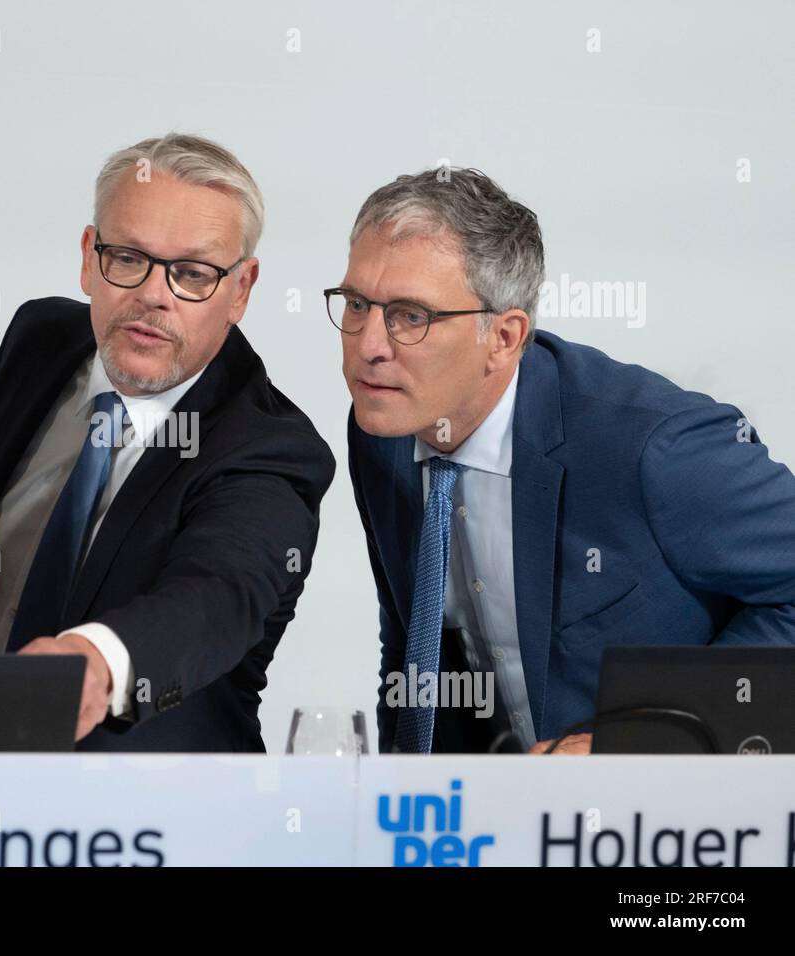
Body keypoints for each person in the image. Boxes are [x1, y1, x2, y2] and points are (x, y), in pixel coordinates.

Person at [337, 167, 795, 755]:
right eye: (357, 304)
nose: (369, 345)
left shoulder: (654, 448)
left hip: (668, 803)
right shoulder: (384, 426)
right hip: (488, 804)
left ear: (504, 337)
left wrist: (640, 742)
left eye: (411, 316)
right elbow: (413, 644)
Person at [0, 133, 335, 752]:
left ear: (241, 290)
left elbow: (217, 595)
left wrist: (96, 662)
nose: (154, 295)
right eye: (127, 257)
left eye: (193, 274)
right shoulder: (40, 340)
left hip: (148, 798)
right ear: (89, 257)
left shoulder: (269, 448)